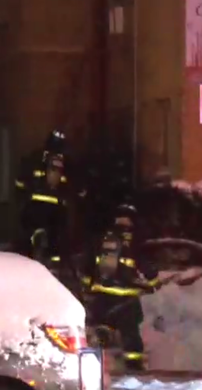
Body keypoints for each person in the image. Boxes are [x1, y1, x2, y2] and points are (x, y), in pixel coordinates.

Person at [81, 202, 159, 371]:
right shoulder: (136, 241)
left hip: (101, 298)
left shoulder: (103, 240)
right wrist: (152, 283)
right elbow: (149, 271)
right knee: (131, 336)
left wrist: (89, 289)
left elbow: (87, 267)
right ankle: (134, 368)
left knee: (99, 333)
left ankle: (91, 368)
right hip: (126, 300)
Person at [17, 152, 72, 268]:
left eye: (58, 171)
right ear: (46, 171)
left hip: (53, 239)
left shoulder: (62, 193)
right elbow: (27, 215)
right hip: (35, 229)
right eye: (53, 170)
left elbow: (63, 220)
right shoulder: (36, 189)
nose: (55, 175)